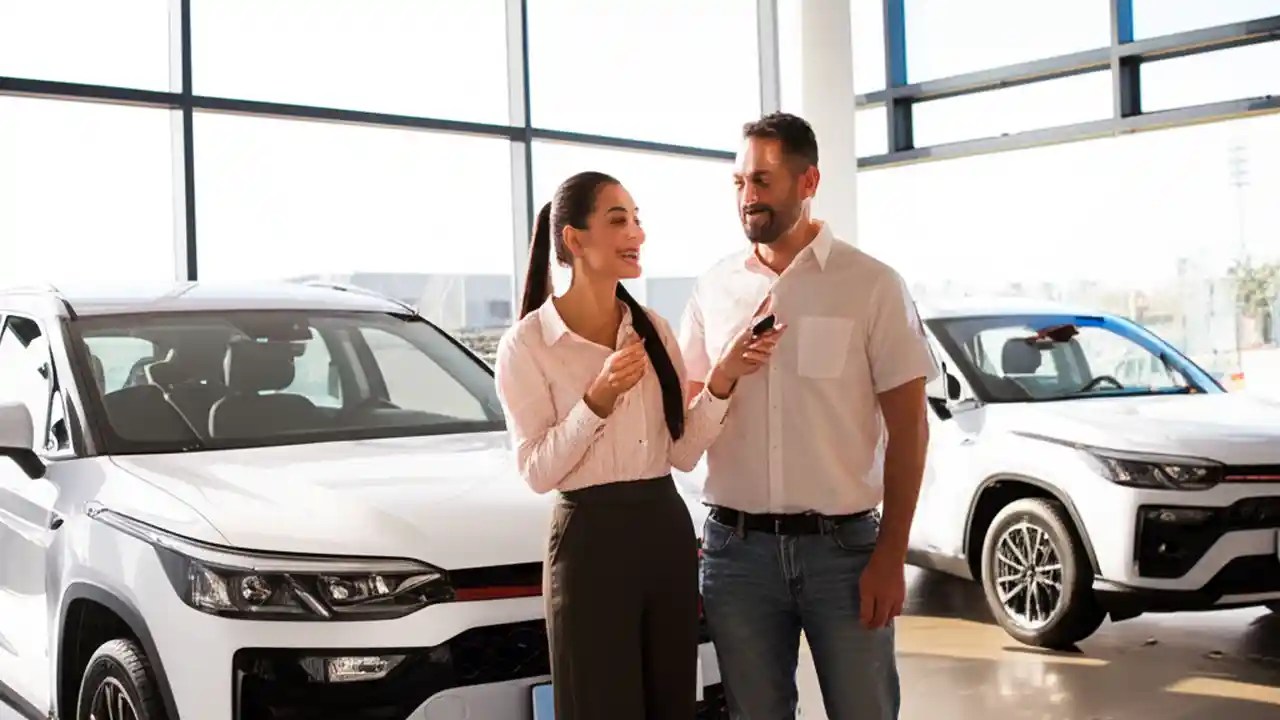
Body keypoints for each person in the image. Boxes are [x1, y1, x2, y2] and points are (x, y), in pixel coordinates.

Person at [494, 170, 784, 720]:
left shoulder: (651, 328)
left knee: (673, 701)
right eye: (618, 219)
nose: (637, 233)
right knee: (601, 704)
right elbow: (536, 471)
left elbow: (682, 452)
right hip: (589, 542)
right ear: (574, 240)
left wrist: (722, 378)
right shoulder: (527, 343)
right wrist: (597, 399)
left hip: (664, 531)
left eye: (637, 219)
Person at [678, 113, 938, 719]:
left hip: (845, 554)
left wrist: (891, 556)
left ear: (809, 180)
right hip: (735, 556)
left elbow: (909, 430)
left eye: (763, 181)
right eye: (740, 182)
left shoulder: (871, 284)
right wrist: (724, 374)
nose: (748, 198)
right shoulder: (713, 288)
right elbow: (687, 429)